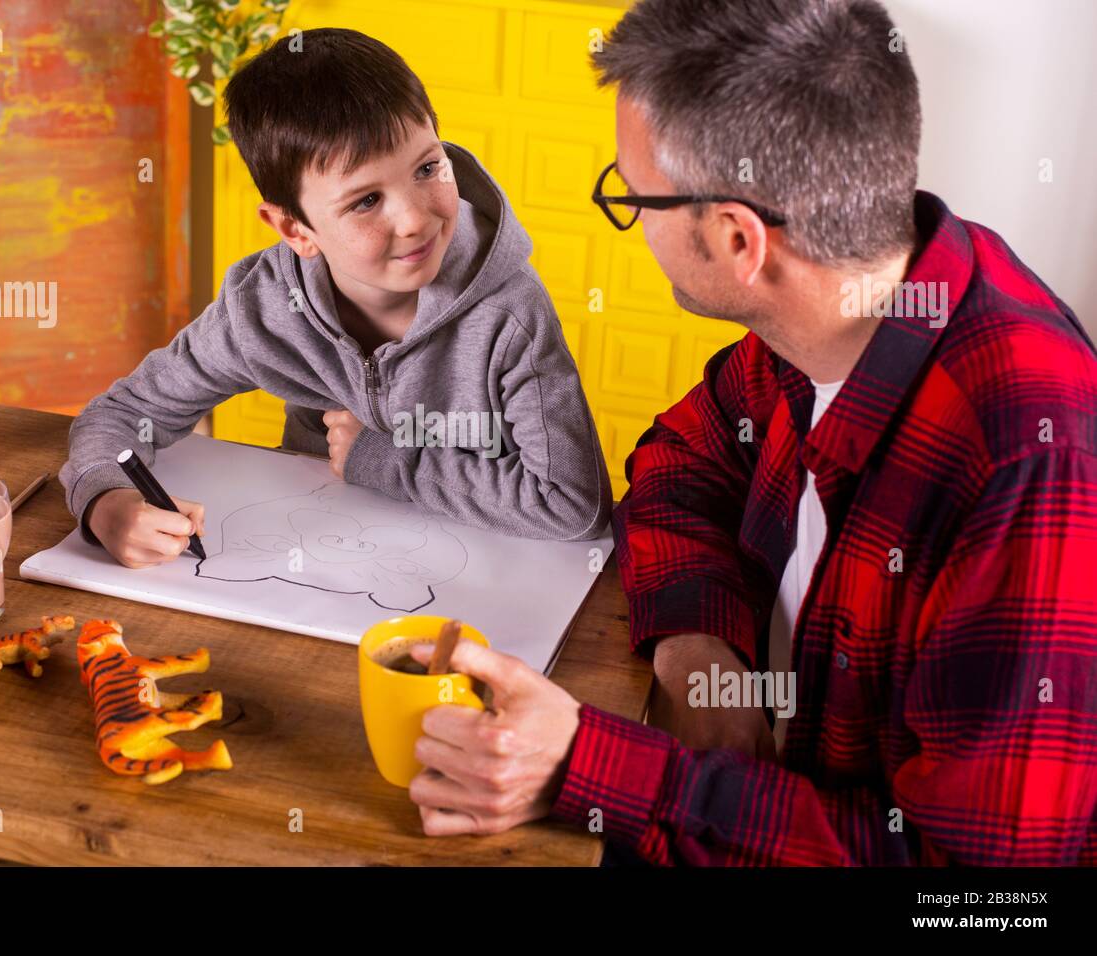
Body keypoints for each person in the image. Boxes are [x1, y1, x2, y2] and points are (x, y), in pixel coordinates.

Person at [405, 0, 1097, 865]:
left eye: (632, 195)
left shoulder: (1026, 461)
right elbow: (676, 465)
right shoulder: (839, 304)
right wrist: (704, 656)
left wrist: (593, 764)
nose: (634, 221)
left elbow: (983, 898)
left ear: (738, 239)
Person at [60, 28, 610, 568]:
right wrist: (106, 504)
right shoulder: (266, 307)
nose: (416, 219)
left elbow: (572, 506)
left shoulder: (510, 318)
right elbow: (126, 412)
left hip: (477, 576)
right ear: (295, 229)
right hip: (312, 561)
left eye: (428, 168)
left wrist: (384, 459)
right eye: (367, 200)